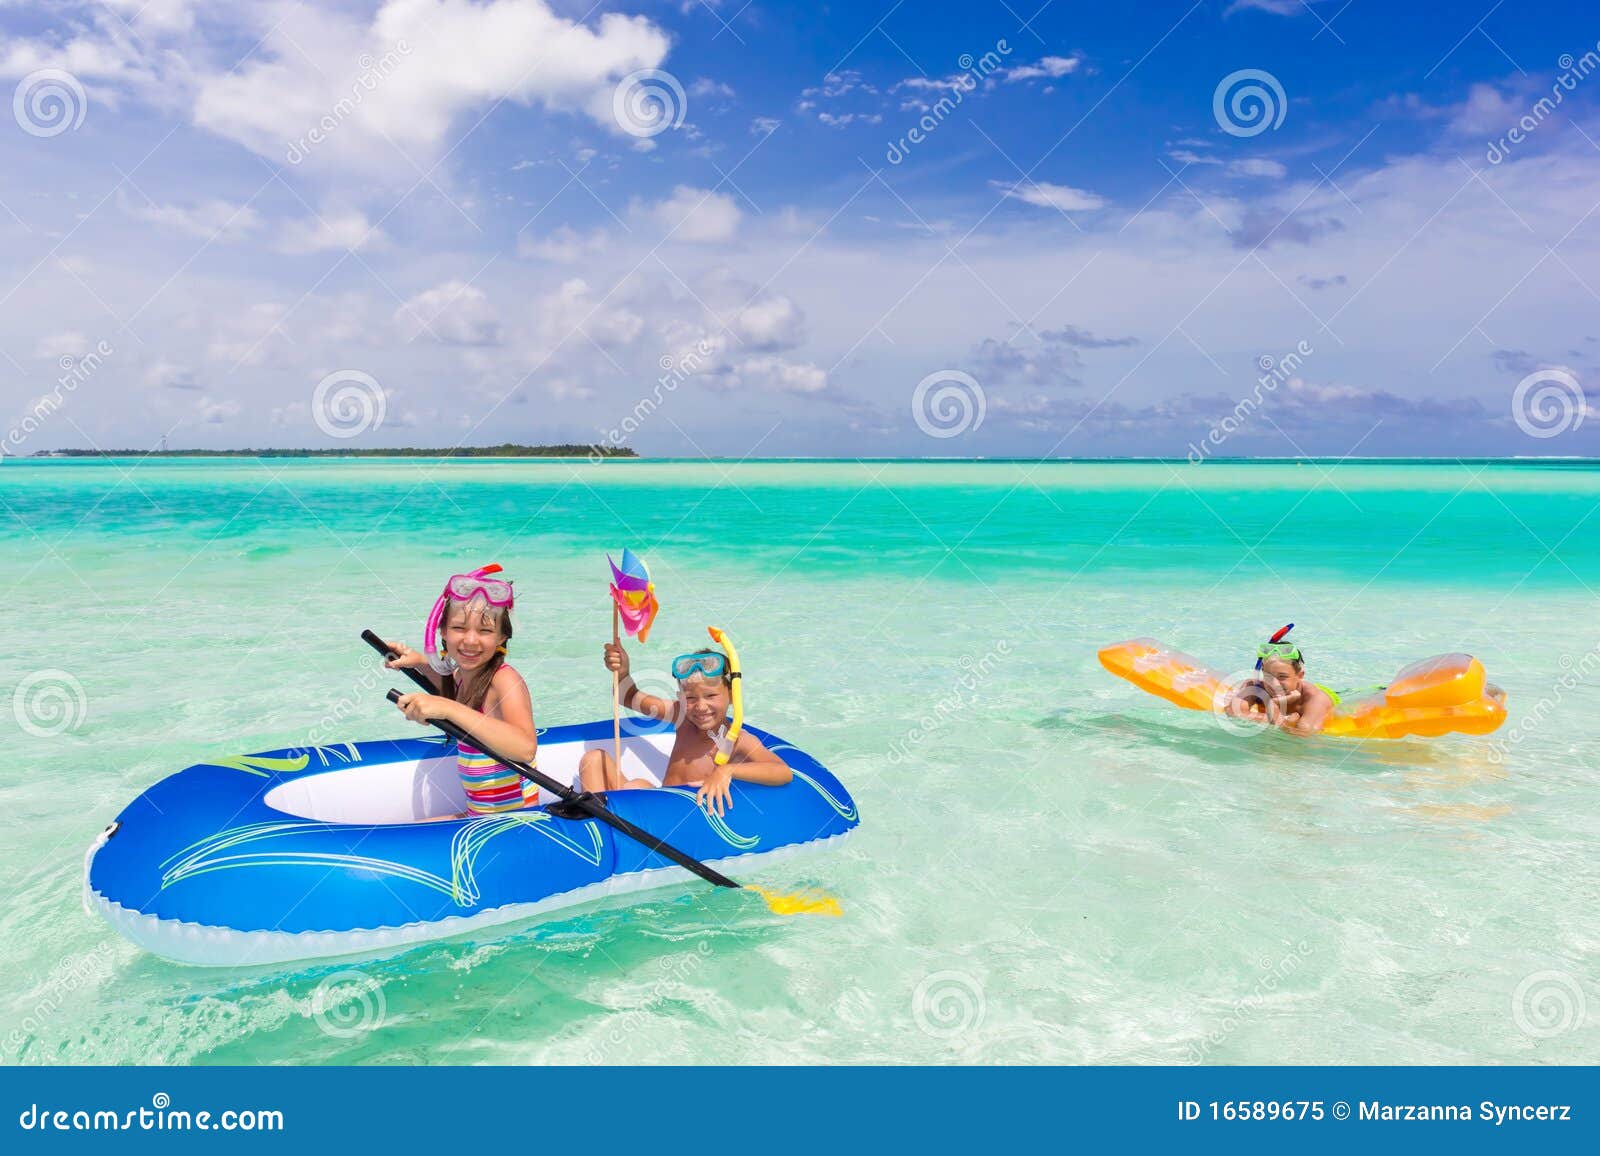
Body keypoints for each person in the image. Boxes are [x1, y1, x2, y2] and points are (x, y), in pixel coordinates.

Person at [384, 564, 540, 817]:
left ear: (501, 637)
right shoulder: (462, 677)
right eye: (459, 628)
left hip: (514, 823)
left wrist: (447, 708)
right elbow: (448, 684)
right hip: (478, 817)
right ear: (442, 631)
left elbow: (525, 748)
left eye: (485, 631)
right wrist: (419, 662)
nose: (470, 640)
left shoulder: (505, 680)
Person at [578, 641, 791, 815]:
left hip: (680, 817)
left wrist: (727, 770)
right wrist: (623, 672)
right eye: (690, 698)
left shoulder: (735, 740)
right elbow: (628, 698)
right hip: (657, 805)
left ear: (732, 696)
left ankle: (603, 821)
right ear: (681, 697)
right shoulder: (682, 716)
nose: (700, 706)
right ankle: (595, 822)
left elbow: (782, 772)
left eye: (710, 695)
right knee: (594, 759)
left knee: (635, 787)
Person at [1224, 624, 1335, 735]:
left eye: (1282, 677)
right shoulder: (1256, 686)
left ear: (1300, 675)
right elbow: (1233, 712)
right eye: (1268, 676)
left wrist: (1272, 705)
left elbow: (1302, 734)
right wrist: (1284, 718)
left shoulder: (1316, 699)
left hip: (1331, 696)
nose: (1274, 684)